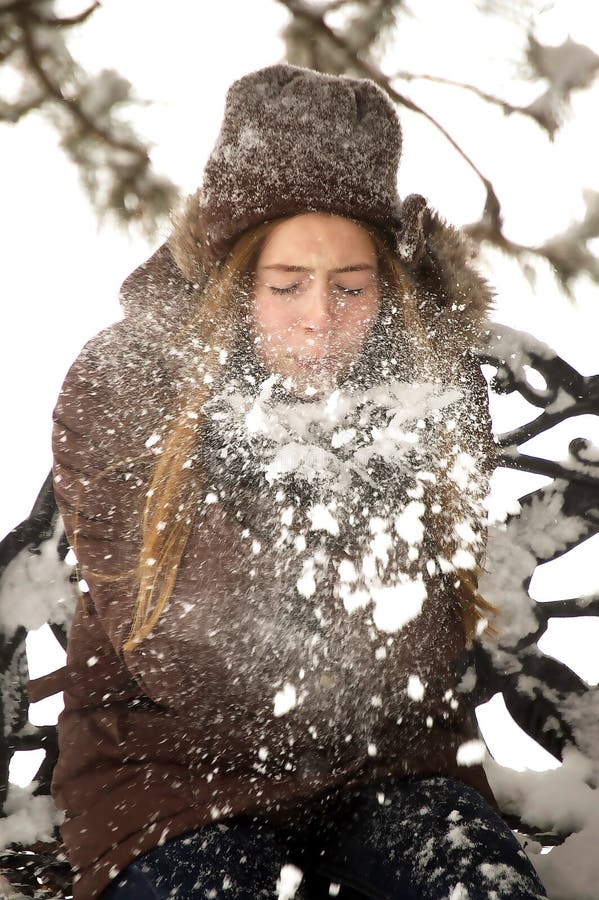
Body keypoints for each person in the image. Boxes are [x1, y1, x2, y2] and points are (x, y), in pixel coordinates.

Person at [30, 64, 548, 899]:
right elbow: (183, 656)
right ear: (236, 284)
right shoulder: (123, 380)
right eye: (286, 286)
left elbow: (420, 640)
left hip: (395, 770)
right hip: (172, 784)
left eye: (351, 287)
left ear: (386, 288)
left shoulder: (432, 381)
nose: (319, 316)